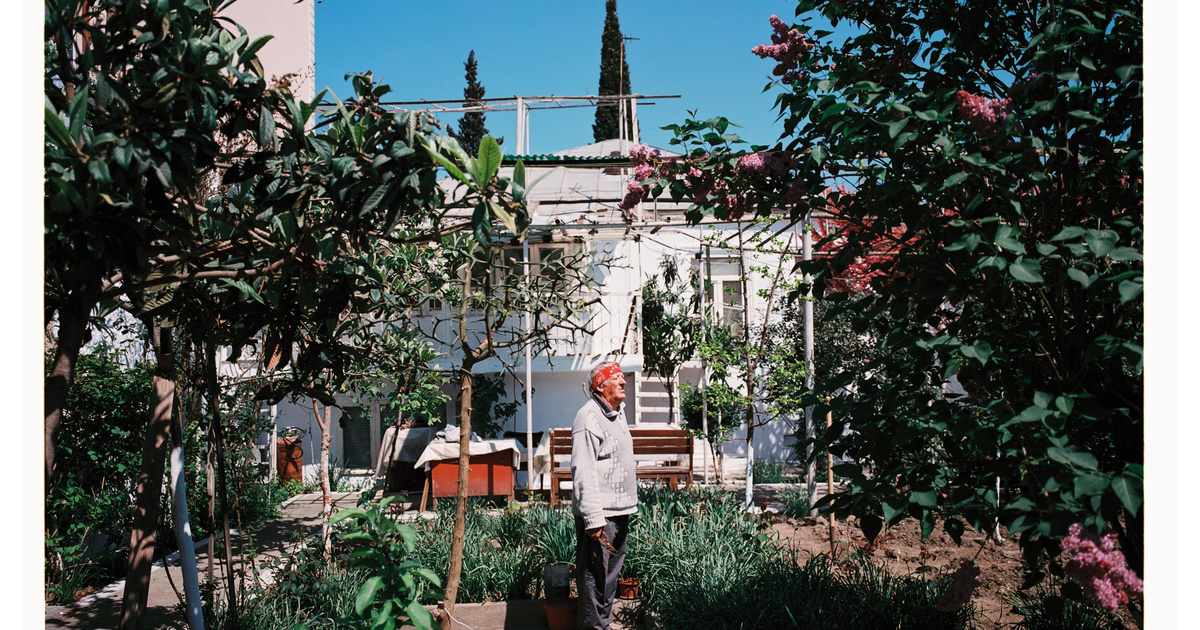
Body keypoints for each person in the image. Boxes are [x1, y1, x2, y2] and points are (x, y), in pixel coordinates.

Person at [570, 361, 637, 630]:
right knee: (594, 577)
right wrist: (593, 518)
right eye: (617, 379)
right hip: (601, 516)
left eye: (623, 378)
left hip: (620, 511)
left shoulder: (617, 413)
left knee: (609, 577)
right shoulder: (588, 418)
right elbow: (582, 470)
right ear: (600, 386)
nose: (624, 382)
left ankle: (602, 625)